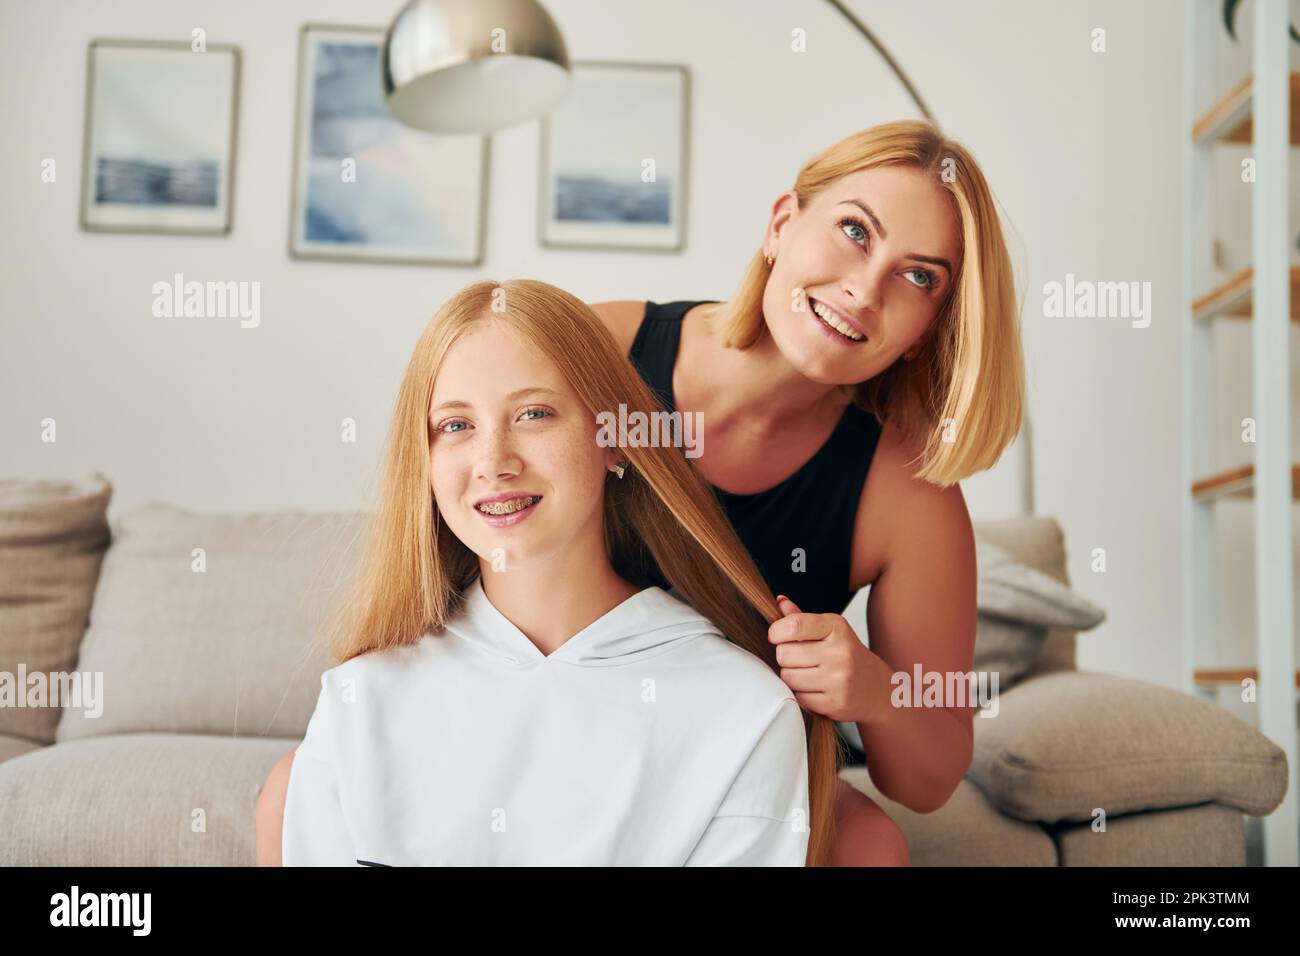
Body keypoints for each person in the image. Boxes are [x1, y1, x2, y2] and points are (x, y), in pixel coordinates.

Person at [260, 118, 1024, 865]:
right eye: (856, 231)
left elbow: (927, 780)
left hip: (717, 756)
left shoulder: (908, 496)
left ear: (930, 326)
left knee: (869, 845)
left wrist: (871, 692)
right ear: (782, 224)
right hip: (539, 702)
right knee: (291, 792)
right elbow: (471, 496)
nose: (864, 287)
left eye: (919, 275)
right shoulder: (611, 347)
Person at [280, 278, 841, 865]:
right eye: (455, 425)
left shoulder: (742, 712)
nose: (494, 462)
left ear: (616, 440)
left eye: (533, 414)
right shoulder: (359, 701)